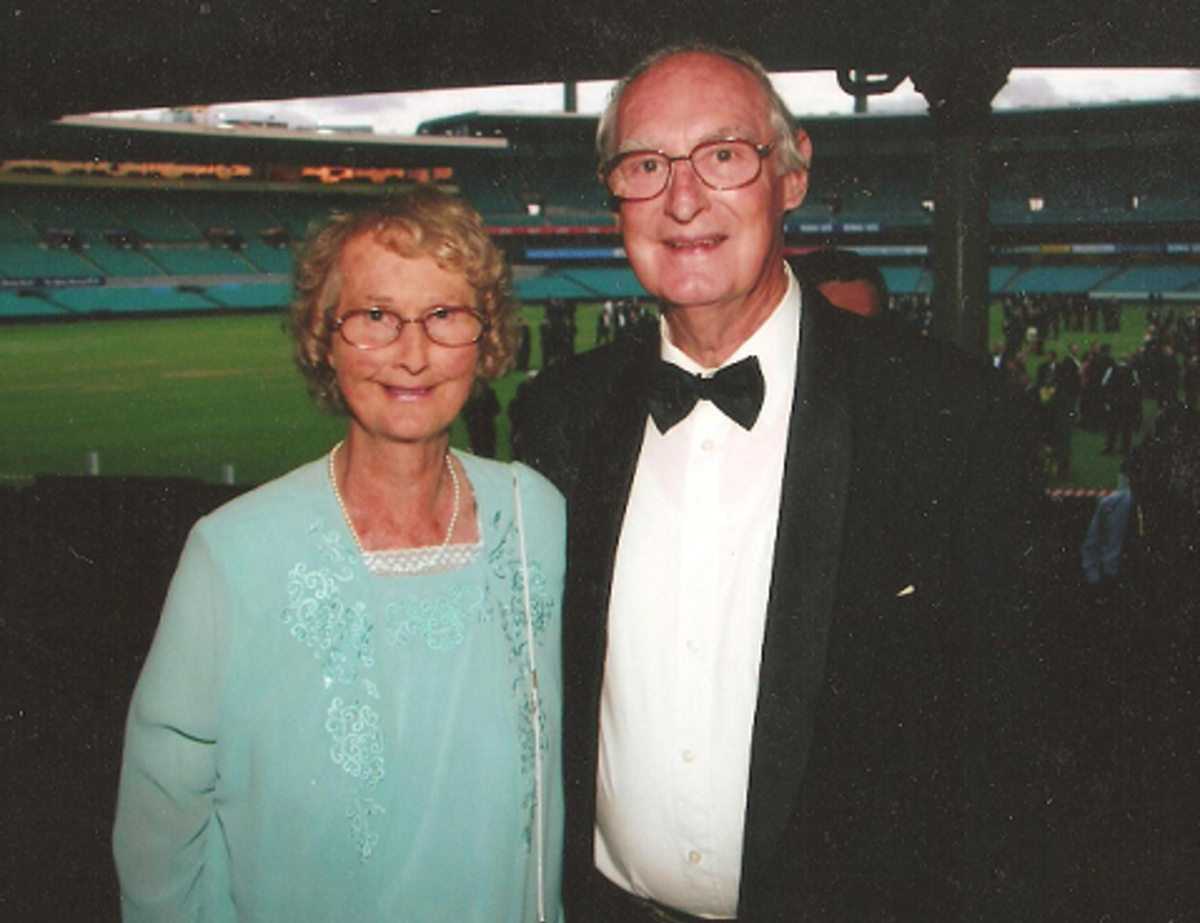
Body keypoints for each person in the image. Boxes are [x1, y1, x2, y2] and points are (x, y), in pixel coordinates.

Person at [514, 44, 1048, 922]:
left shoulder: (950, 416)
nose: (683, 199)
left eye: (723, 155)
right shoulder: (560, 416)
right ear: (615, 195)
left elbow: (1007, 755)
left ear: (791, 174)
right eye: (646, 165)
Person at [113, 187, 565, 923]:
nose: (412, 354)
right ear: (325, 337)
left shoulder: (535, 515)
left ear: (485, 340)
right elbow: (159, 828)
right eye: (376, 316)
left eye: (444, 314)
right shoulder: (231, 552)